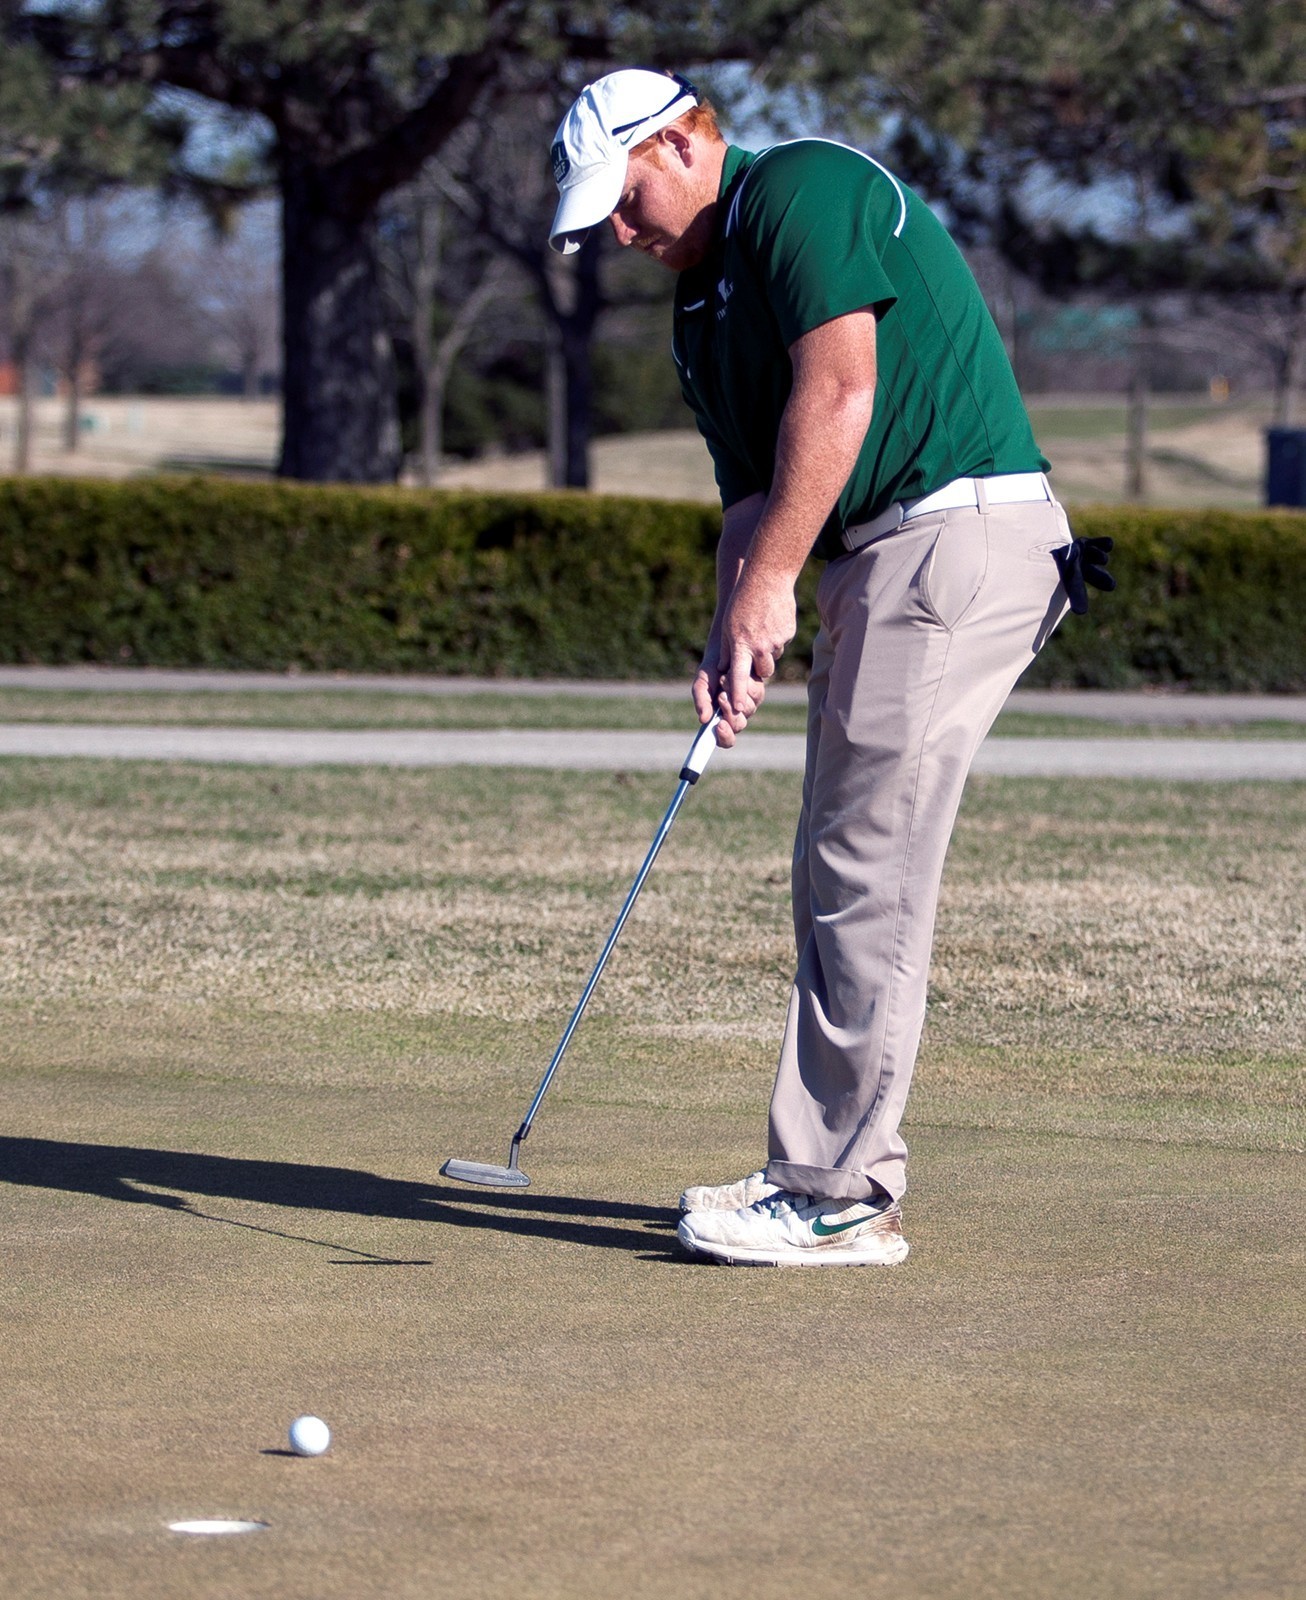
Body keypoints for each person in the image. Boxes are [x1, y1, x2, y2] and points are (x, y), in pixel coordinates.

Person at [548, 70, 1111, 1267]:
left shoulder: (800, 189)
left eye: (624, 195)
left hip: (955, 533)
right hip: (878, 555)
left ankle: (836, 1190)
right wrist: (728, 626)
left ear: (684, 141)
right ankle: (823, 1170)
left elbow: (842, 387)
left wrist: (770, 586)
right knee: (837, 850)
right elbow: (750, 492)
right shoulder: (700, 310)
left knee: (866, 856)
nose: (616, 230)